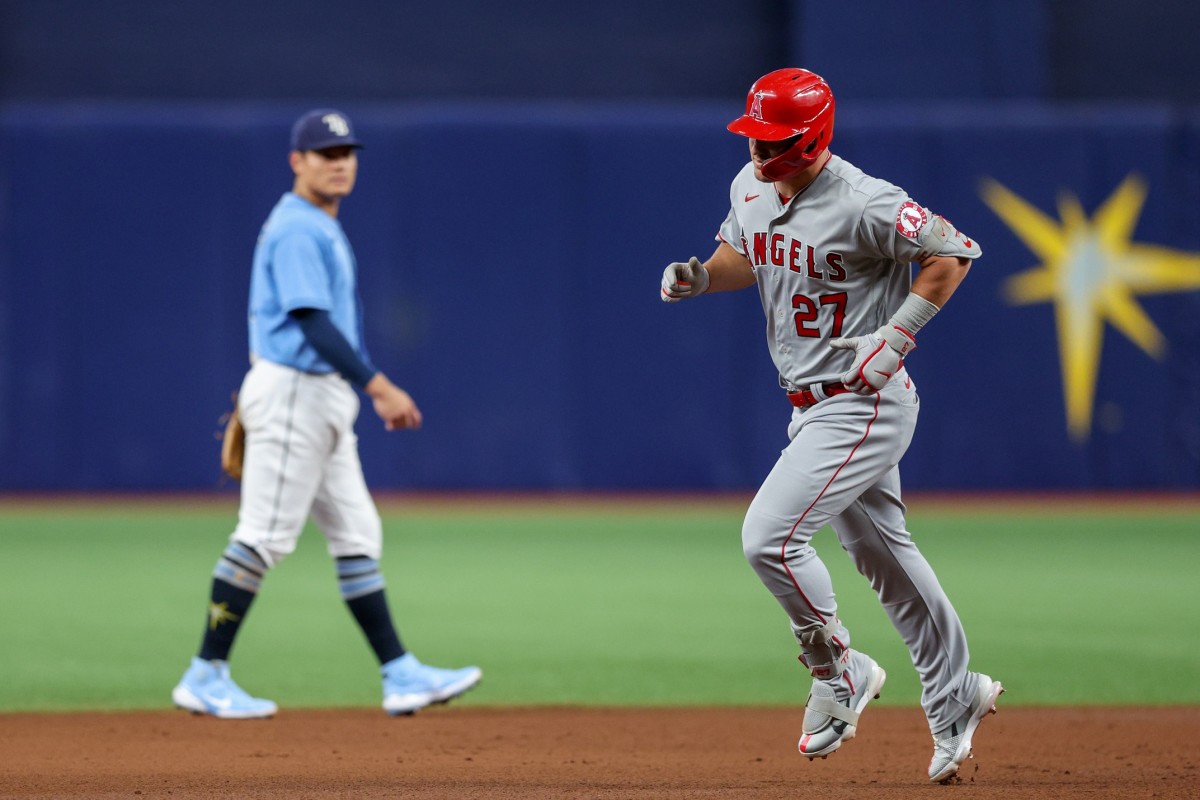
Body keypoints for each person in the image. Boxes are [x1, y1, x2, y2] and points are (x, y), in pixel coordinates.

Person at [660, 69, 1002, 783]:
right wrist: (699, 277)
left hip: (863, 399)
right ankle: (955, 693)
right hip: (810, 406)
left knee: (770, 538)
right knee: (888, 561)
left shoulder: (866, 201)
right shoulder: (750, 186)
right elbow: (741, 258)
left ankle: (838, 667)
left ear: (814, 138)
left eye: (773, 140)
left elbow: (955, 253)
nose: (758, 151)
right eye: (753, 135)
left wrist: (899, 335)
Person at [172, 109, 481, 719]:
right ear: (297, 161)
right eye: (325, 154)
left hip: (316, 400)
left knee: (356, 535)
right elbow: (310, 320)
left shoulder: (314, 223)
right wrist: (379, 385)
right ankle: (204, 674)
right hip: (295, 393)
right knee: (262, 536)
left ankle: (400, 674)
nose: (339, 164)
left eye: (347, 154)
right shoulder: (296, 228)